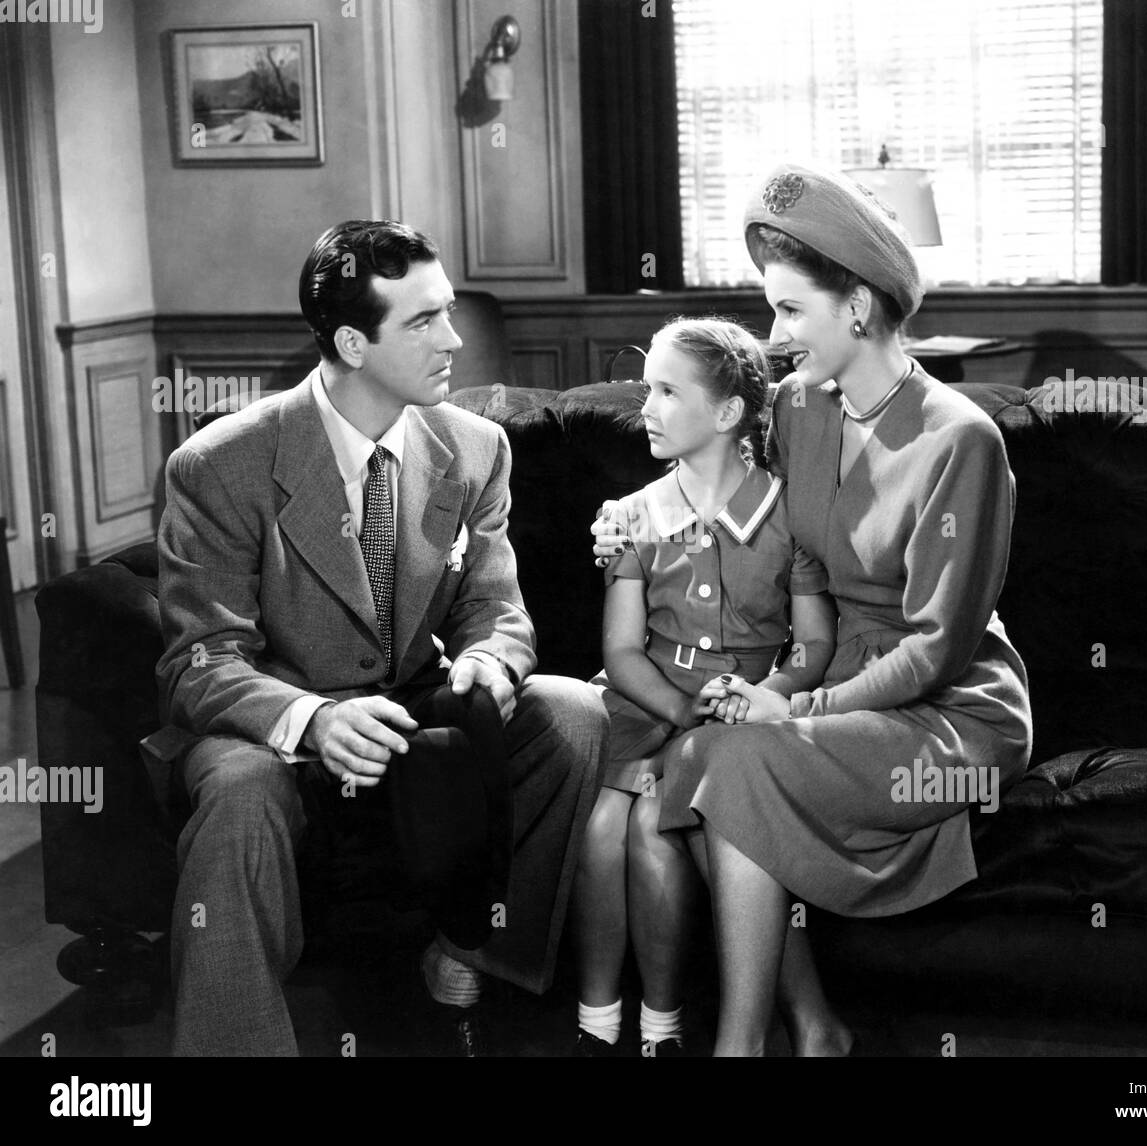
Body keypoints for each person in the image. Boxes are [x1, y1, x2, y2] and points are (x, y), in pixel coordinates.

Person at [593, 162, 1032, 1056]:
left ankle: (745, 1047)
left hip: (946, 711)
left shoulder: (962, 439)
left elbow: (938, 649)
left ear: (860, 306)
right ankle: (811, 1029)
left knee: (733, 757)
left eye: (792, 311)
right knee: (723, 754)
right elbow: (718, 493)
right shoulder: (796, 406)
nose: (775, 337)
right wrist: (627, 521)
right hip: (833, 675)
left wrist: (798, 706)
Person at [150, 219, 606, 1056]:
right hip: (273, 723)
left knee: (575, 713)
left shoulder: (475, 448)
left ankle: (469, 950)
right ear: (354, 343)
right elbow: (199, 661)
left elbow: (496, 612)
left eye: (449, 312)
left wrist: (488, 663)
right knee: (240, 794)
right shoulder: (218, 464)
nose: (455, 339)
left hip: (414, 701)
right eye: (425, 321)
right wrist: (314, 722)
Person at [570, 318, 835, 1057]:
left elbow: (814, 645)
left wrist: (768, 692)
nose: (645, 408)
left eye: (665, 390)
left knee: (656, 829)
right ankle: (597, 1024)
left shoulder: (791, 516)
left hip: (741, 714)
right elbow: (621, 651)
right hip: (644, 700)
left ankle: (663, 1029)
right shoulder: (631, 516)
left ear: (726, 413)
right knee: (599, 832)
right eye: (644, 388)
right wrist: (679, 708)